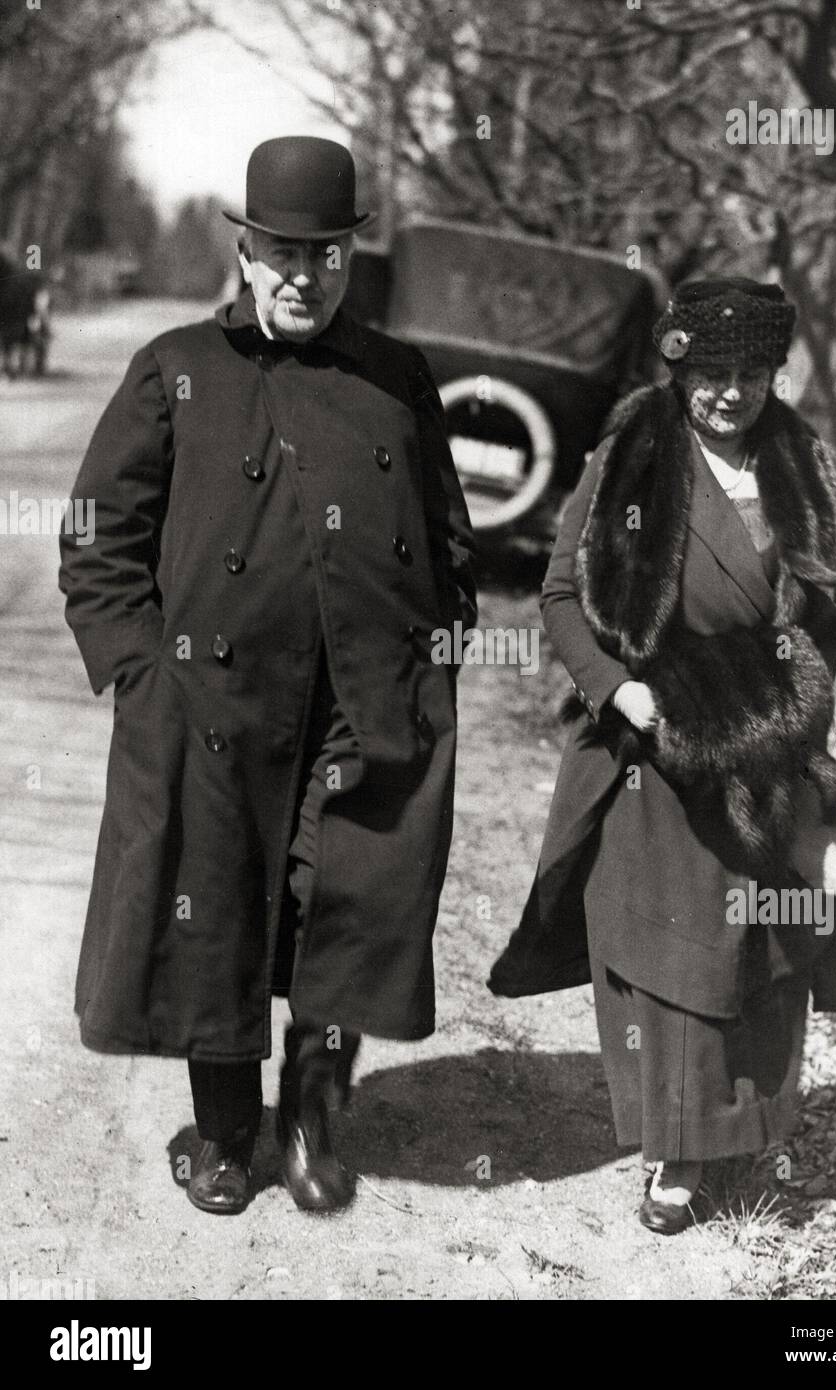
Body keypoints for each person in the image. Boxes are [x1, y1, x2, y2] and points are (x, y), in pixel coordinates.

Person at [59, 137, 476, 1216]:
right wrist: (141, 673)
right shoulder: (177, 367)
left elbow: (448, 540)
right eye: (282, 255)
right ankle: (224, 1131)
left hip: (362, 704)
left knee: (350, 905)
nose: (302, 277)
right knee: (218, 911)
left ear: (348, 259)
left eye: (323, 255)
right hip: (211, 709)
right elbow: (97, 537)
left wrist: (437, 655)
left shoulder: (397, 377)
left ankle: (312, 1119)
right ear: (245, 255)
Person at [489, 278, 836, 1234]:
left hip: (771, 742)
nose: (731, 393)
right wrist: (619, 691)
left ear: (775, 374)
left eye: (752, 374)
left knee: (767, 944)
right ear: (680, 365)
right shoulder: (633, 453)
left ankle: (749, 1131)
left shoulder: (803, 462)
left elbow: (832, 606)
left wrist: (799, 706)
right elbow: (560, 595)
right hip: (657, 743)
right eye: (712, 373)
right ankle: (680, 1151)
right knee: (679, 951)